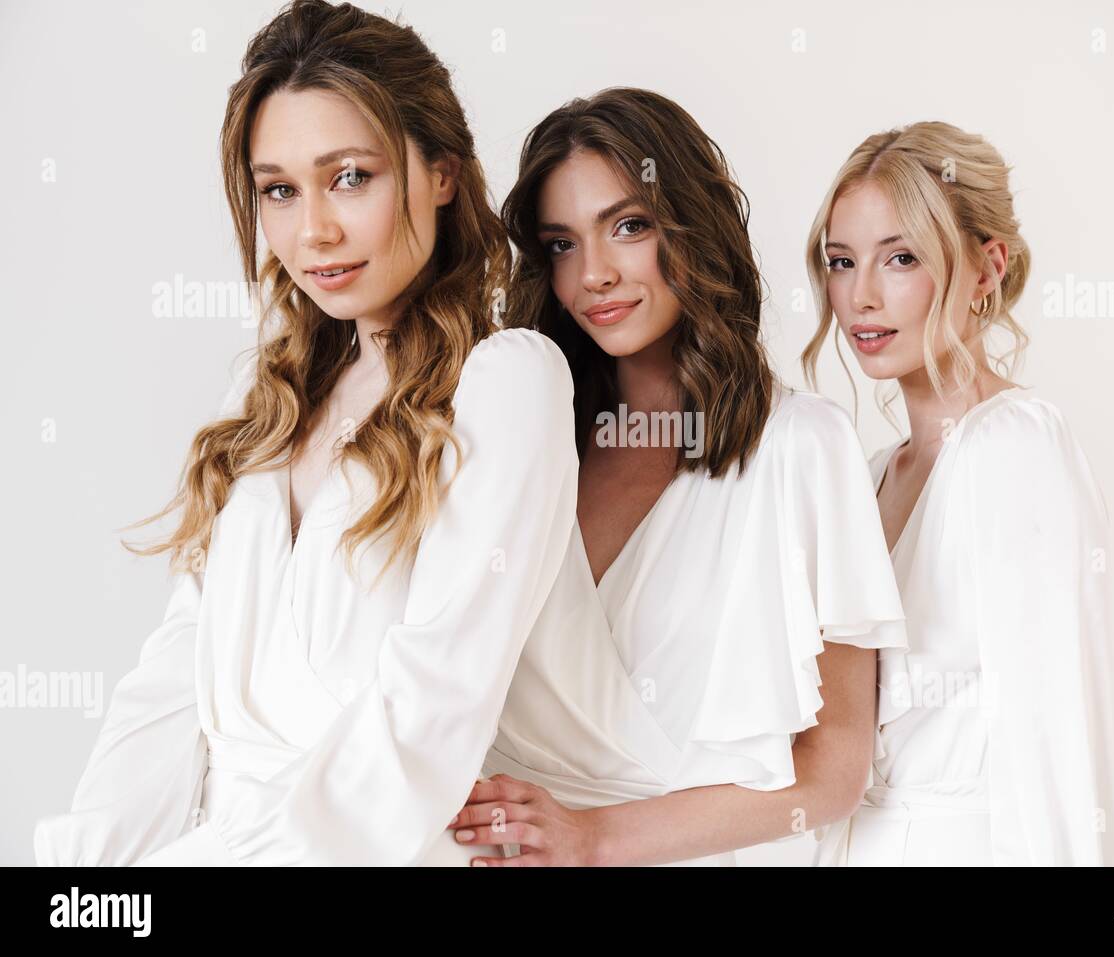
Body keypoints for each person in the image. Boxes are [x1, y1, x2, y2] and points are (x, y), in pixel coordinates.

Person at [33, 0, 577, 866]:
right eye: (278, 189)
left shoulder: (508, 383)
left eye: (350, 176)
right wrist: (84, 878)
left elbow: (424, 722)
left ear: (441, 171)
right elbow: (172, 687)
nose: (312, 230)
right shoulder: (265, 393)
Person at [450, 88, 906, 866]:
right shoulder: (528, 446)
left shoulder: (800, 446)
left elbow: (834, 773)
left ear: (690, 225)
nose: (593, 274)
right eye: (562, 244)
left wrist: (594, 838)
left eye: (628, 226)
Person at [802, 121, 1114, 865]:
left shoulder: (1014, 446)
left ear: (987, 269)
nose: (861, 296)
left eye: (900, 258)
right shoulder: (875, 472)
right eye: (842, 262)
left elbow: (1056, 738)